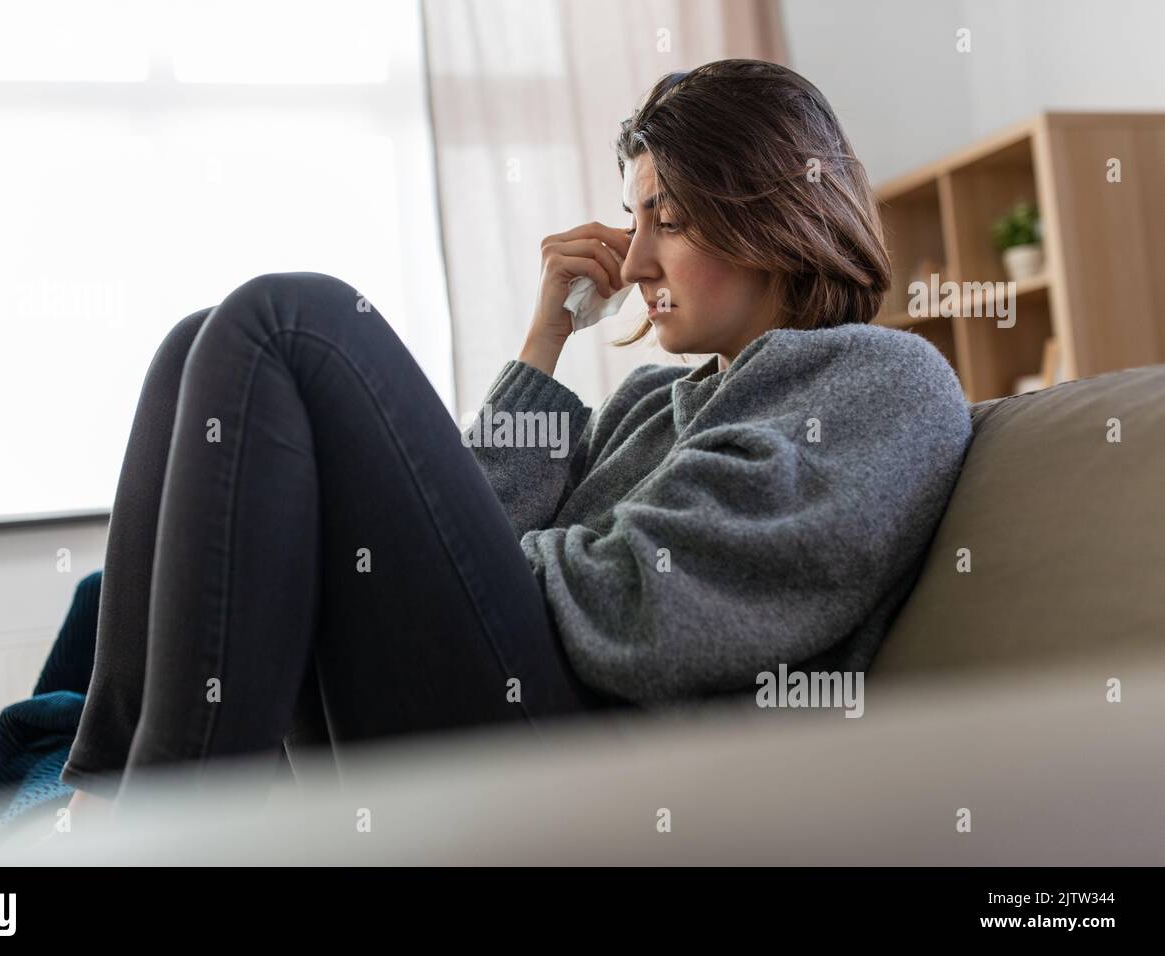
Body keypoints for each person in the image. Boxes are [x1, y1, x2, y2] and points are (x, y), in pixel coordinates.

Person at [54, 59, 973, 828]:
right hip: (505, 728)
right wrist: (546, 344)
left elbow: (642, 619)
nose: (638, 261)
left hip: (606, 794)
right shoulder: (653, 404)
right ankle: (104, 805)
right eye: (633, 220)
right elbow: (478, 554)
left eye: (672, 219)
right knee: (195, 346)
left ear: (773, 213)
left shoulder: (882, 382)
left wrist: (386, 551)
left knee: (293, 326)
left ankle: (170, 835)